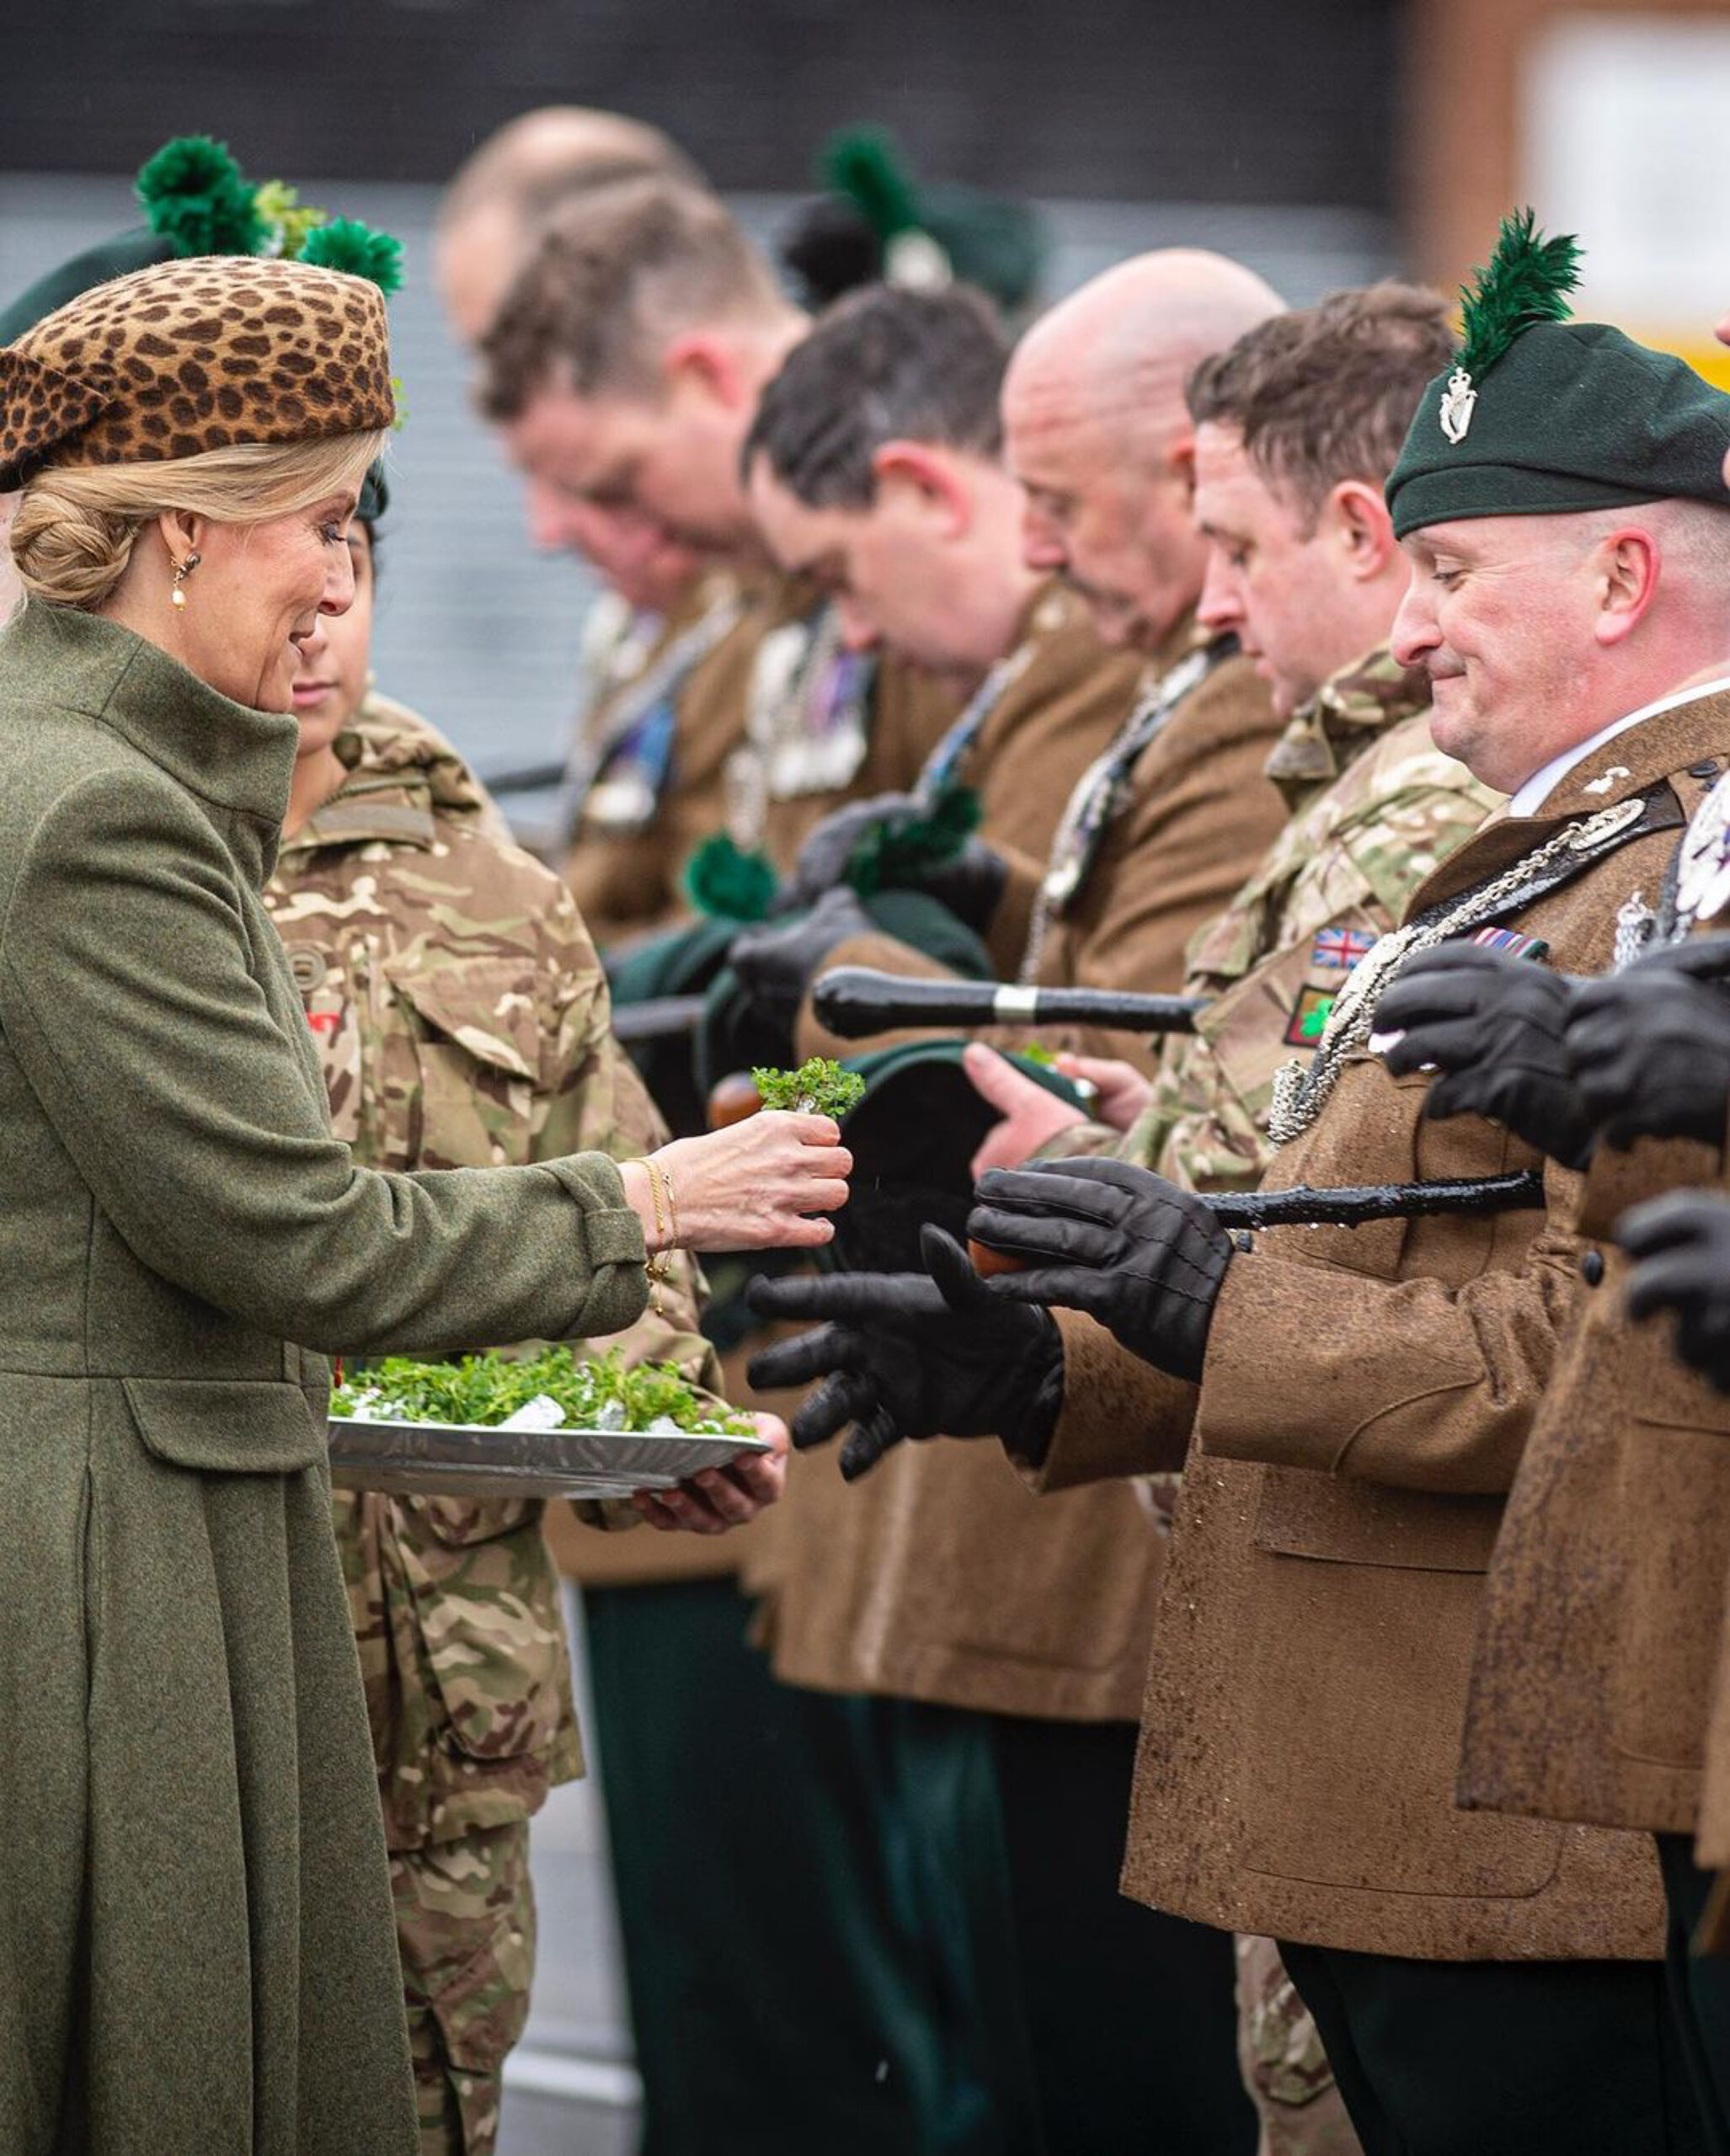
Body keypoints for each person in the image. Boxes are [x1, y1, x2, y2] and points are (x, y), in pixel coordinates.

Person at [749, 214, 1730, 2154]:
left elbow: (1601, 1352)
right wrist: (1059, 1368)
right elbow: (1371, 1245)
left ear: (1622, 576)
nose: (1407, 626)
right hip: (1401, 1800)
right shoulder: (1549, 858)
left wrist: (1211, 1304)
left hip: (1519, 1809)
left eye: (1448, 570)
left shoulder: (1673, 877)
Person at [0, 248, 845, 2153]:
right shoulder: (102, 809)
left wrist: (635, 1413)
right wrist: (647, 1197)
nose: (336, 576)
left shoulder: (119, 774)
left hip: (309, 1600)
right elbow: (291, 1236)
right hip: (123, 1570)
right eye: (313, 520)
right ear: (179, 533)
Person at [267, 474, 763, 2153]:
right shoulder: (90, 843)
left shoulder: (488, 882)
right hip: (174, 1655)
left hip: (441, 1694)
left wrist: (657, 1422)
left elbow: (612, 1195)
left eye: (348, 567)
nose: (316, 617)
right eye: (279, 567)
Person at [753, 248, 1292, 1082]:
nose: (1036, 550)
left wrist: (851, 979)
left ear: (1191, 481)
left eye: (1060, 506)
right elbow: (1105, 976)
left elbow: (1122, 1081)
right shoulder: (1190, 673)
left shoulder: (1248, 696)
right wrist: (996, 895)